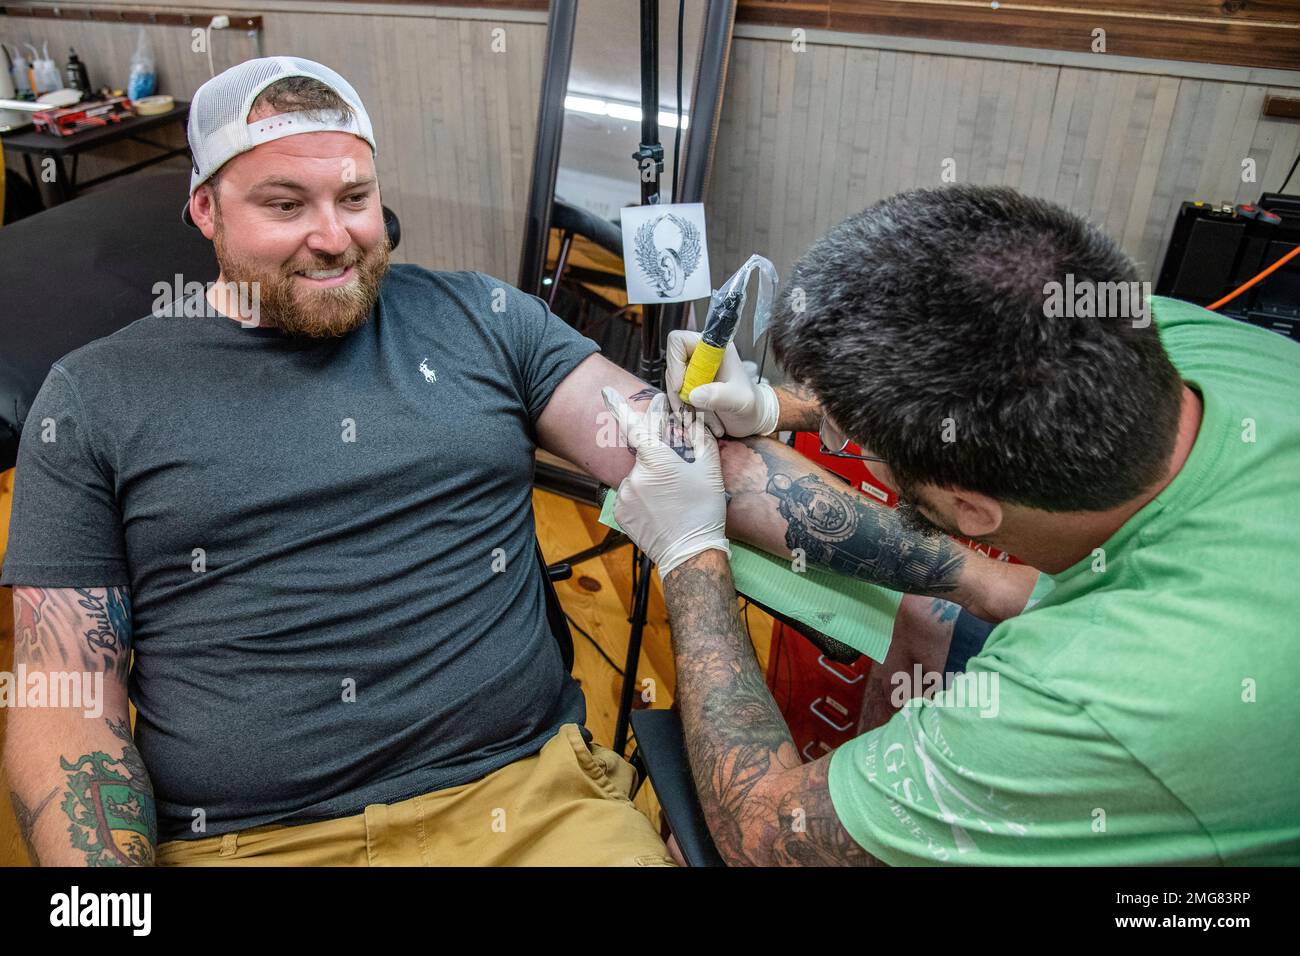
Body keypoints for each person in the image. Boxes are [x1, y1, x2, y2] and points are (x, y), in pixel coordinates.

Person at [0, 59, 1032, 867]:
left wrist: (983, 578)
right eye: (285, 204)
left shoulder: (480, 317)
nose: (334, 237)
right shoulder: (95, 398)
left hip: (530, 806)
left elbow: (694, 459)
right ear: (205, 212)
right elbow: (63, 699)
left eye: (355, 197)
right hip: (252, 837)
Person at [606, 184, 1300, 865]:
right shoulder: (1166, 336)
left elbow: (759, 833)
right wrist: (775, 408)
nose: (849, 443)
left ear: (970, 513)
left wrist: (689, 551)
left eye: (865, 447)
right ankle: (883, 788)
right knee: (928, 615)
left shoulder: (1086, 704)